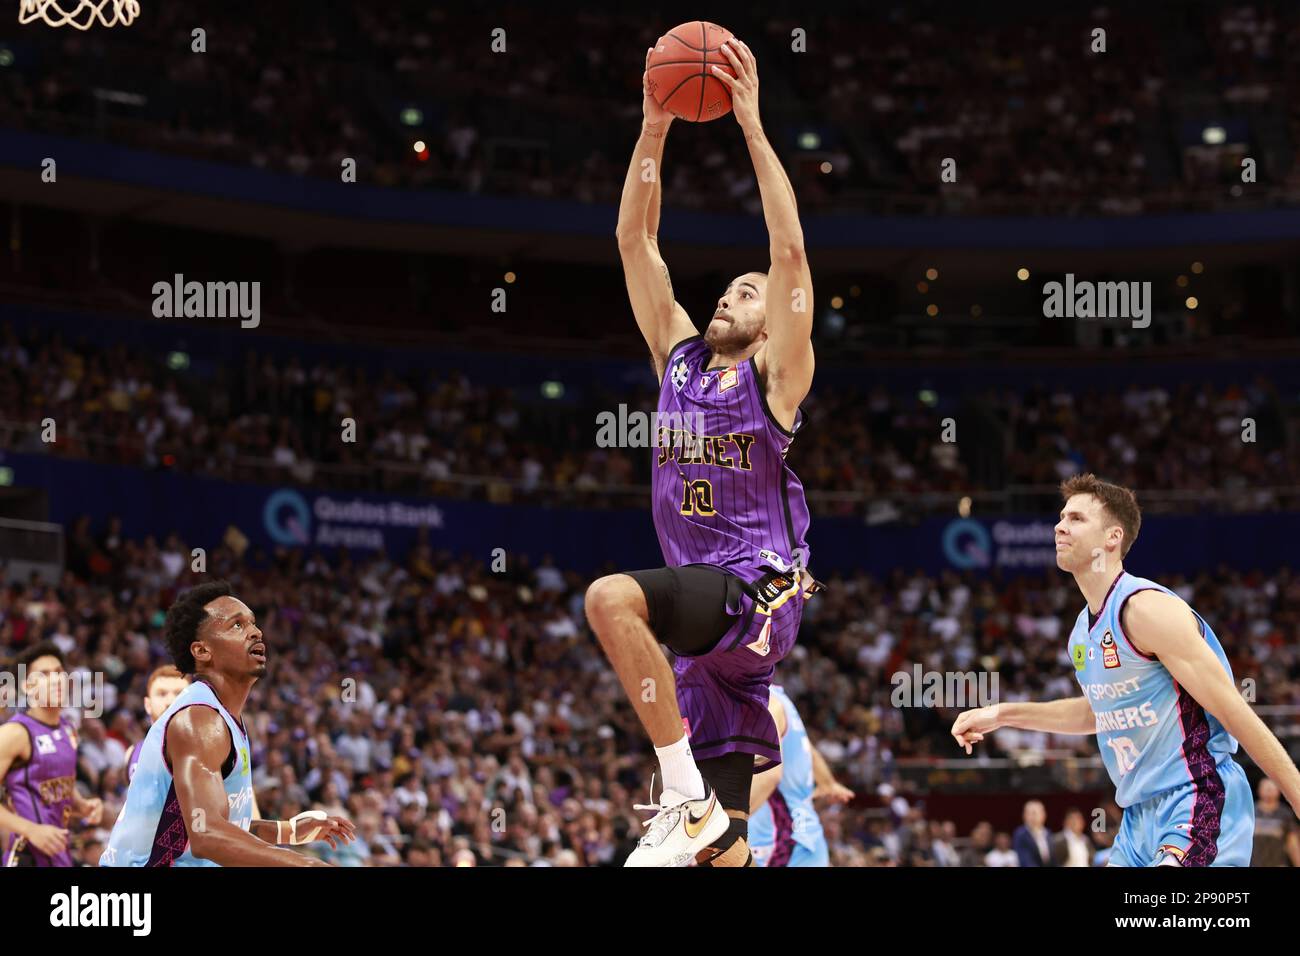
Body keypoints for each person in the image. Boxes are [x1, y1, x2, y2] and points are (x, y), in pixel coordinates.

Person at [586, 38, 819, 867]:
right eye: (726, 290)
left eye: (746, 294)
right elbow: (634, 244)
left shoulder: (778, 378)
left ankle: (682, 794)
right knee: (722, 858)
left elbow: (789, 255)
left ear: (770, 321)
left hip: (755, 591)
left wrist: (753, 125)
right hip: (708, 645)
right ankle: (703, 824)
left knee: (611, 600)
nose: (729, 296)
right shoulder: (679, 360)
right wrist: (653, 128)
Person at [954, 474, 1300, 866]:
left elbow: (1233, 710)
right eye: (1061, 516)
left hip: (1197, 797)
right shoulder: (1082, 633)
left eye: (1076, 518)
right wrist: (1001, 714)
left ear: (1112, 538)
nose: (1060, 526)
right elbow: (1097, 711)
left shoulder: (1147, 610)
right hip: (1137, 818)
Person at [100, 581, 354, 866]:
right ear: (202, 651)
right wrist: (304, 863)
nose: (256, 632)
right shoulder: (199, 720)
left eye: (253, 623)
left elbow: (226, 822)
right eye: (237, 625)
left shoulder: (226, 718)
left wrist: (290, 831)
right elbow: (206, 833)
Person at [0, 643, 103, 866]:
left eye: (59, 672)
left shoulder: (68, 728)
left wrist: (83, 805)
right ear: (28, 687)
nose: (56, 679)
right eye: (44, 675)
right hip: (27, 855)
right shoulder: (15, 732)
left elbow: (60, 784)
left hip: (59, 852)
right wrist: (31, 830)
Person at [748, 684, 853, 866]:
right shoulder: (780, 698)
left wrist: (724, 823)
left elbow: (768, 777)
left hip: (784, 842)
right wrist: (827, 782)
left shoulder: (765, 704)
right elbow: (807, 748)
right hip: (801, 837)